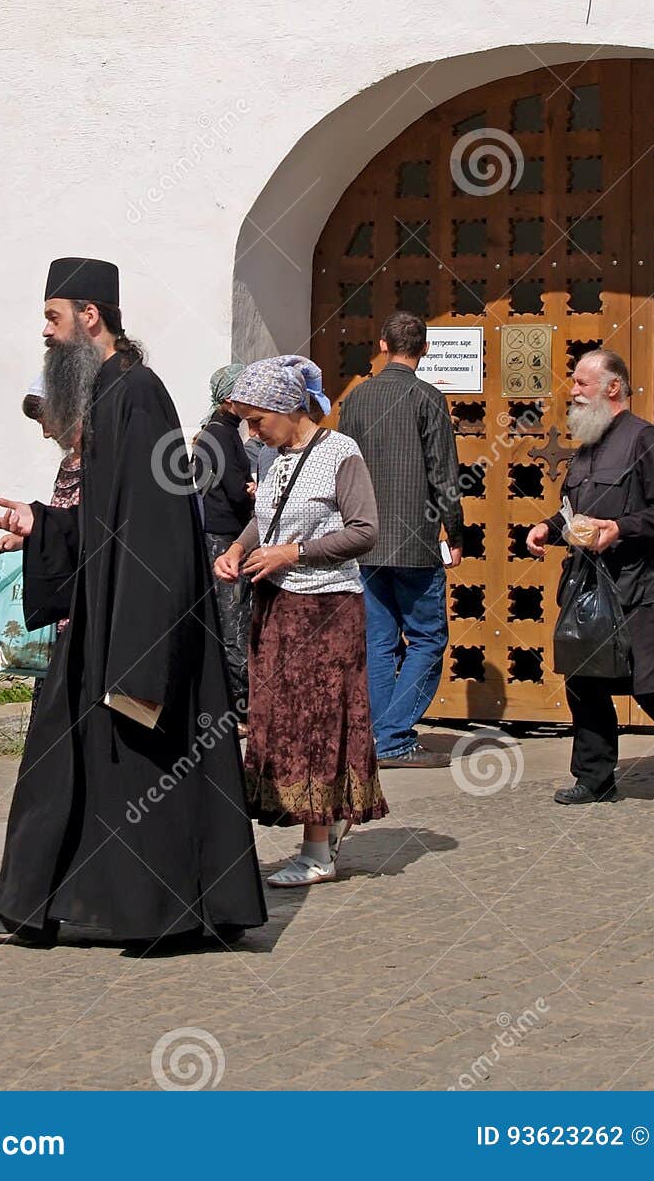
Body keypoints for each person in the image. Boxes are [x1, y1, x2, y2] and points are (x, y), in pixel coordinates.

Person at [0, 256, 266, 947]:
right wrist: (42, 525)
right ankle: (30, 907)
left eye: (53, 317)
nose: (46, 331)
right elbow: (106, 523)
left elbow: (157, 531)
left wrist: (142, 653)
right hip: (102, 619)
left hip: (136, 627)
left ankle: (169, 916)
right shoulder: (107, 394)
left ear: (90, 316)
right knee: (58, 764)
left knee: (141, 771)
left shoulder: (138, 394)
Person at [527, 349, 654, 805]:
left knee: (653, 685)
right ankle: (595, 779)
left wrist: (619, 529)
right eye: (574, 383)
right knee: (585, 681)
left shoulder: (645, 440)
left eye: (581, 383)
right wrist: (549, 528)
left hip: (640, 585)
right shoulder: (587, 446)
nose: (573, 392)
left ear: (613, 387)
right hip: (588, 587)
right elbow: (575, 514)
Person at [214, 355, 387, 887]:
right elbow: (265, 516)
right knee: (281, 722)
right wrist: (238, 549)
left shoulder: (340, 453)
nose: (251, 431)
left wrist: (294, 553)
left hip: (326, 611)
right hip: (276, 608)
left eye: (257, 419)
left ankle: (316, 852)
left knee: (316, 723)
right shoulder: (270, 456)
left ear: (290, 408)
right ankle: (321, 830)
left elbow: (364, 530)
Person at [339, 311, 463, 768]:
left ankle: (380, 736)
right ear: (425, 349)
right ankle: (392, 736)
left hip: (364, 538)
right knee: (427, 638)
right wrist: (456, 531)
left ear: (382, 345)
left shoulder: (355, 399)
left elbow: (342, 469)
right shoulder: (427, 397)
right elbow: (443, 474)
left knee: (379, 640)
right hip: (415, 542)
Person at [10, 378, 81, 726]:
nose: (46, 433)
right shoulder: (69, 464)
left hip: (83, 601)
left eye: (46, 421)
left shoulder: (105, 466)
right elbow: (60, 523)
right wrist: (26, 539)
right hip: (61, 608)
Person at [192, 364, 254, 727]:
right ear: (230, 398)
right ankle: (239, 711)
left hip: (220, 534)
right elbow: (234, 489)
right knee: (234, 623)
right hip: (224, 537)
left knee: (232, 621)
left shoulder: (218, 431)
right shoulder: (220, 434)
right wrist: (255, 492)